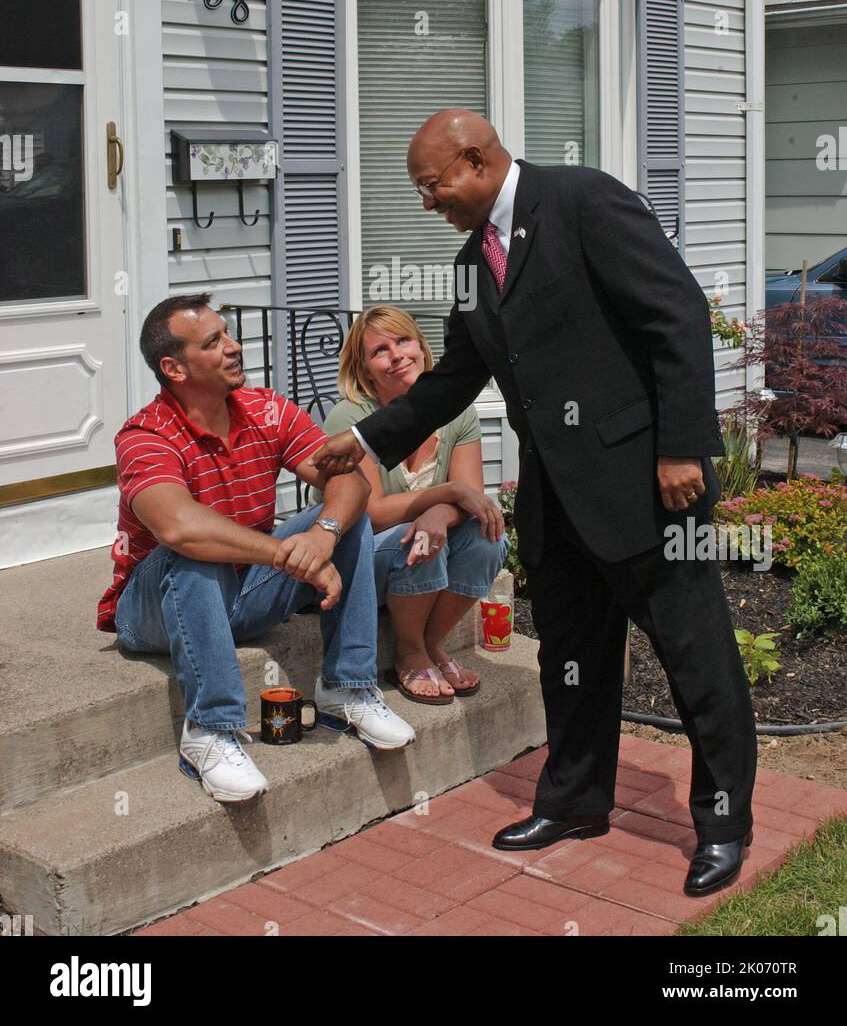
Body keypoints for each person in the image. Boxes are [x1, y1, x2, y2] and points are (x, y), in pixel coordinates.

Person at [309, 109, 758, 897]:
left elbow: (676, 313)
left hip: (646, 484)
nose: (427, 201)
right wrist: (370, 440)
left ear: (475, 159)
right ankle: (575, 802)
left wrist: (681, 447)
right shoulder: (469, 261)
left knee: (695, 659)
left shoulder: (584, 201)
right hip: (557, 496)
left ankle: (722, 825)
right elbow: (453, 377)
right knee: (572, 657)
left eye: (431, 184)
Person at [96, 293, 414, 804]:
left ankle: (347, 687)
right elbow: (178, 528)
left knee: (346, 518)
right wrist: (287, 555)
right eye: (213, 342)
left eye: (227, 333)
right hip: (152, 610)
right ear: (173, 367)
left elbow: (350, 481)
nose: (234, 346)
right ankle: (209, 730)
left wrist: (324, 533)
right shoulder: (146, 436)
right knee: (193, 551)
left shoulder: (266, 410)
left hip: (243, 595)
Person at [310, 305, 508, 703]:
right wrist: (441, 497)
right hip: (359, 559)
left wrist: (439, 509)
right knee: (417, 537)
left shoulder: (457, 413)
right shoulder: (351, 421)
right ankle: (409, 651)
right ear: (364, 370)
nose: (397, 354)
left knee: (489, 536)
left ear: (421, 348)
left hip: (414, 550)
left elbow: (470, 496)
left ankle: (432, 644)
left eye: (403, 341)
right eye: (380, 350)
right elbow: (372, 513)